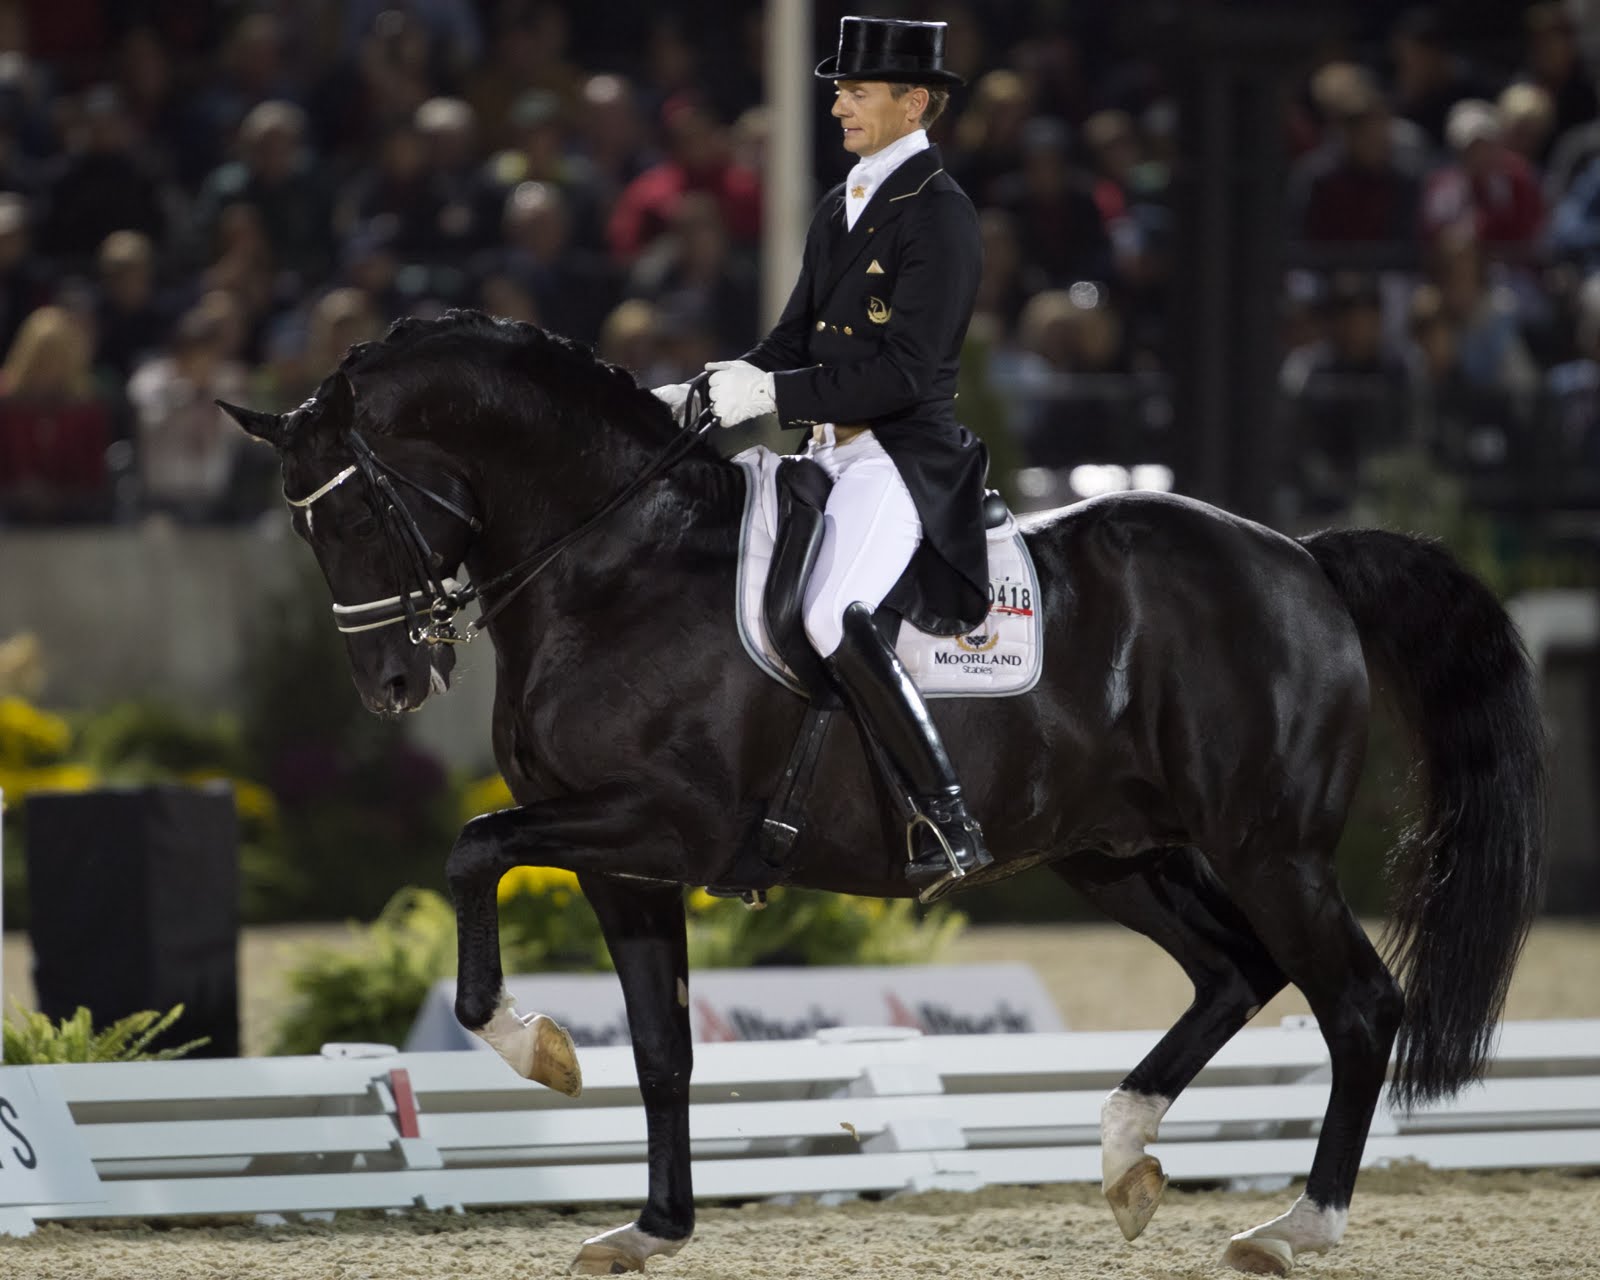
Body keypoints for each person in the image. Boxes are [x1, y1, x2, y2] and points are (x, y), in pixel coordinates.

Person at [654, 16, 991, 895]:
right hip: (824, 453)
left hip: (899, 458)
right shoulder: (841, 203)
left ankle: (943, 815)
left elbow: (904, 374)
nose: (838, 102)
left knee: (831, 613)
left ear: (914, 102)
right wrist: (702, 392)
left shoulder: (940, 215)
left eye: (857, 90)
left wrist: (774, 397)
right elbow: (791, 339)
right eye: (838, 89)